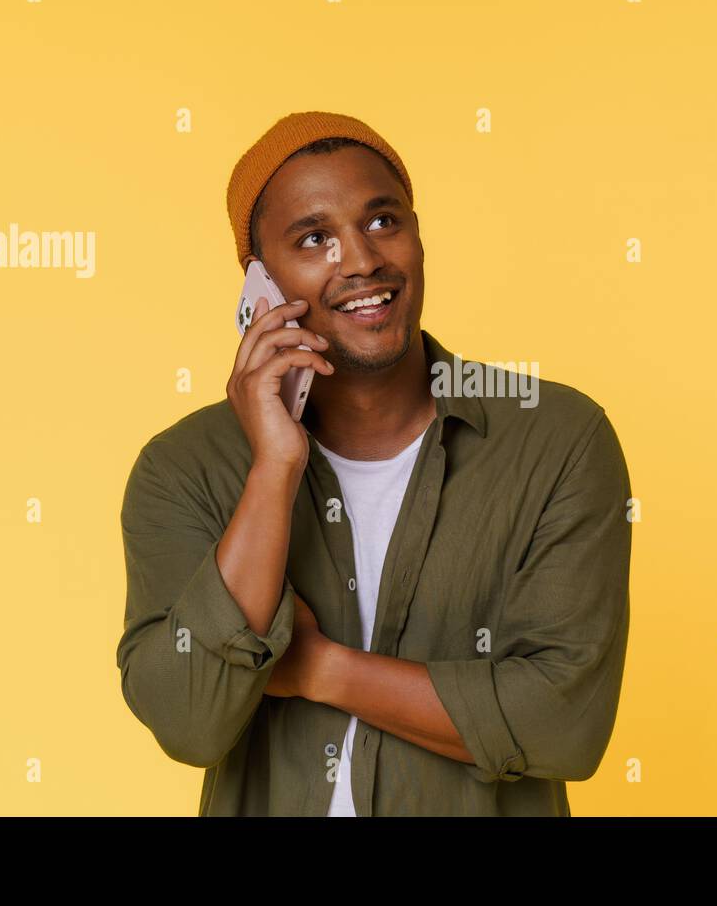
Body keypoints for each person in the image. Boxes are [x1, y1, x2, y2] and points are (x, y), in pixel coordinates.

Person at [115, 110, 633, 815]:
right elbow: (187, 720)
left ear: (418, 236)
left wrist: (321, 669)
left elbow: (562, 724)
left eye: (383, 221)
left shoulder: (558, 442)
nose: (360, 260)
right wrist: (273, 468)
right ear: (259, 287)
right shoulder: (184, 469)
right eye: (315, 238)